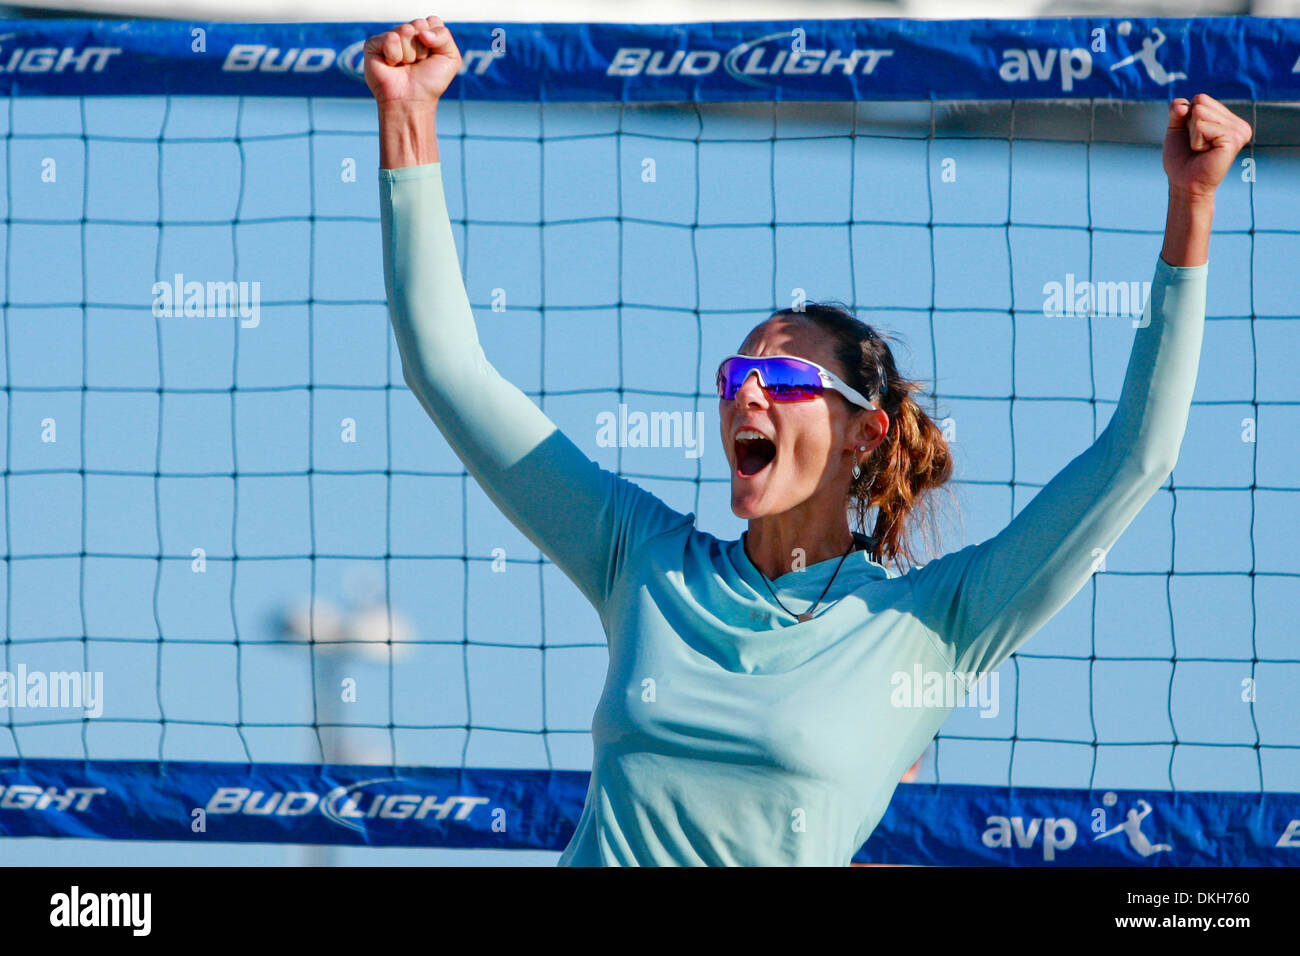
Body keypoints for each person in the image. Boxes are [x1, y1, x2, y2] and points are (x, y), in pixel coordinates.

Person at [365, 17, 1252, 866]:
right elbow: (447, 369)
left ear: (862, 434)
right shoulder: (639, 556)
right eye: (733, 376)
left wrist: (1193, 205)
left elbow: (1137, 458)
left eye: (786, 381)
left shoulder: (931, 627)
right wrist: (408, 115)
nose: (747, 389)